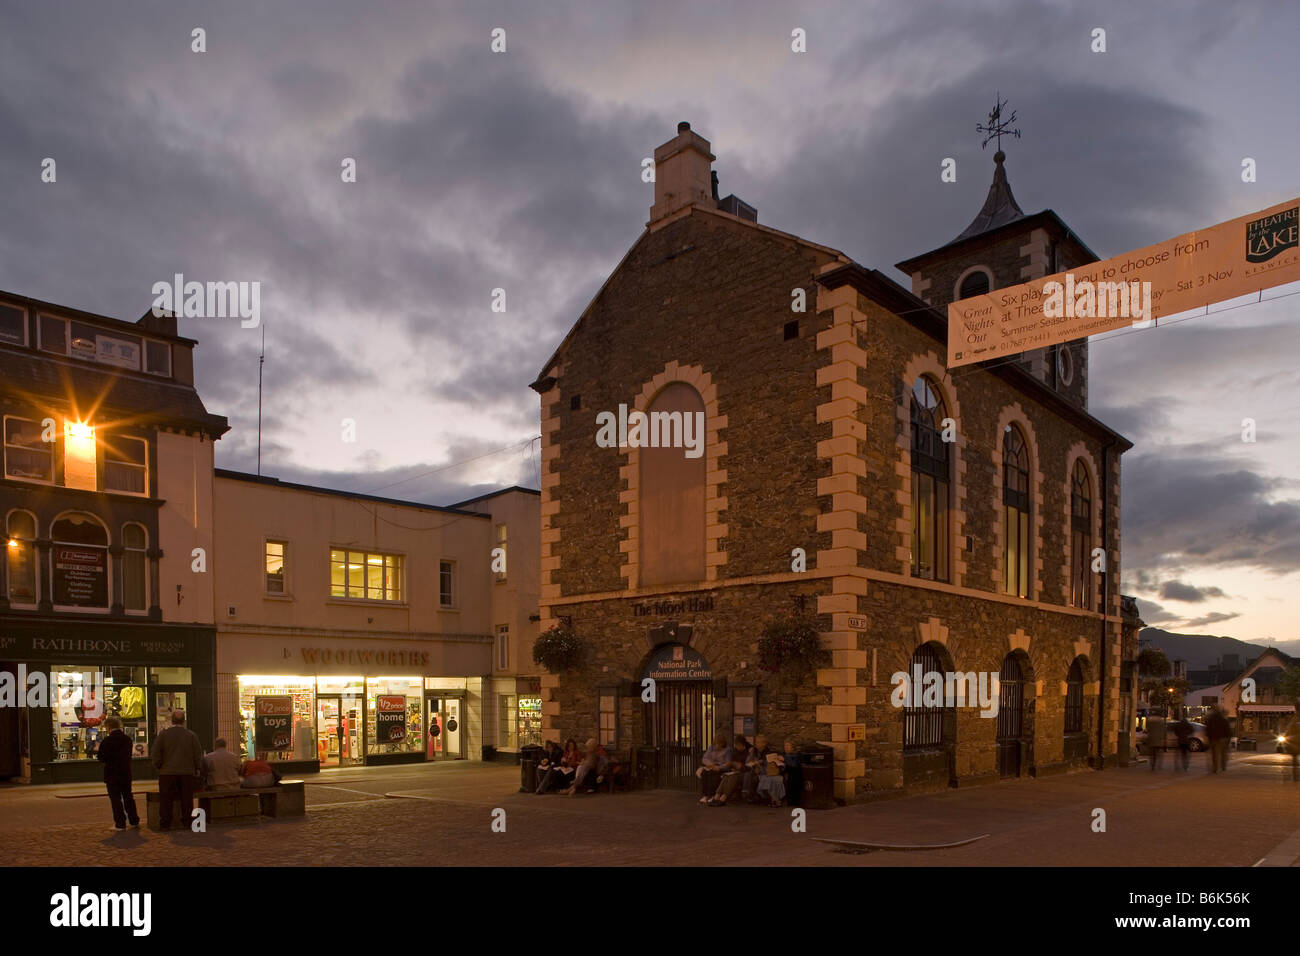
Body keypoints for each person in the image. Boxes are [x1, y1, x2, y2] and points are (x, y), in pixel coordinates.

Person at [150, 709, 204, 830]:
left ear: (172, 720)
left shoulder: (163, 734)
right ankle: (186, 821)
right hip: (186, 772)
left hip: (167, 772)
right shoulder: (191, 735)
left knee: (166, 798)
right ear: (184, 721)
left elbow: (156, 753)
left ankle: (165, 822)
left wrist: (158, 766)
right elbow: (197, 754)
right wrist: (197, 768)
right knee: (186, 798)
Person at [96, 716, 139, 831]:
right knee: (128, 796)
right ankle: (134, 820)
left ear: (108, 727)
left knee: (115, 799)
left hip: (112, 774)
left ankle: (120, 823)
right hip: (125, 772)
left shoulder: (107, 741)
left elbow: (101, 757)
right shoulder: (127, 739)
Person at [697, 734, 731, 804]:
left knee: (714, 775)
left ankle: (712, 795)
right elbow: (705, 758)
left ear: (722, 743)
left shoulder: (727, 750)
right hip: (711, 766)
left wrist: (719, 767)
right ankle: (705, 795)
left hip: (720, 767)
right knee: (705, 773)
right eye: (716, 744)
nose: (717, 746)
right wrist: (710, 764)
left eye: (719, 744)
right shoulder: (711, 748)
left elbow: (728, 763)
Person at [755, 739, 787, 807]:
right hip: (764, 772)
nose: (757, 744)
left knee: (776, 779)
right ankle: (774, 800)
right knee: (767, 779)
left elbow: (782, 766)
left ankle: (774, 800)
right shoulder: (754, 751)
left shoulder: (778, 754)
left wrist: (781, 761)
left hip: (773, 772)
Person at [745, 735, 776, 803]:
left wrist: (759, 764)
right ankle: (751, 796)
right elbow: (747, 762)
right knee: (748, 774)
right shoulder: (754, 751)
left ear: (764, 743)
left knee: (754, 778)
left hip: (765, 771)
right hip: (755, 770)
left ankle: (755, 797)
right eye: (756, 742)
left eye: (759, 742)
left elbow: (768, 765)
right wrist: (750, 754)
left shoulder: (768, 752)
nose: (757, 744)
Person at [1205, 705, 1231, 774]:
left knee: (1214, 754)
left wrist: (1208, 736)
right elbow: (1227, 729)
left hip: (1212, 738)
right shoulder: (1223, 719)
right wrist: (1227, 738)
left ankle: (1215, 768)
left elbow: (1207, 728)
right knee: (1220, 753)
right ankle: (1222, 766)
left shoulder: (1211, 719)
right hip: (1221, 738)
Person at [782, 739, 803, 808]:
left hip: (796, 776)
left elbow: (794, 764)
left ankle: (794, 801)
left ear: (793, 747)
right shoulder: (785, 754)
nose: (786, 748)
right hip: (789, 776)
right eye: (785, 746)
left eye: (788, 746)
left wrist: (784, 759)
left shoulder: (797, 755)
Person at [1284, 714, 1300, 783]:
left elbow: (1287, 735)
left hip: (1294, 745)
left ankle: (1295, 777)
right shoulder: (1294, 724)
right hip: (1296, 745)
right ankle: (1295, 777)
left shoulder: (1292, 725)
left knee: (1295, 761)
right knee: (1295, 761)